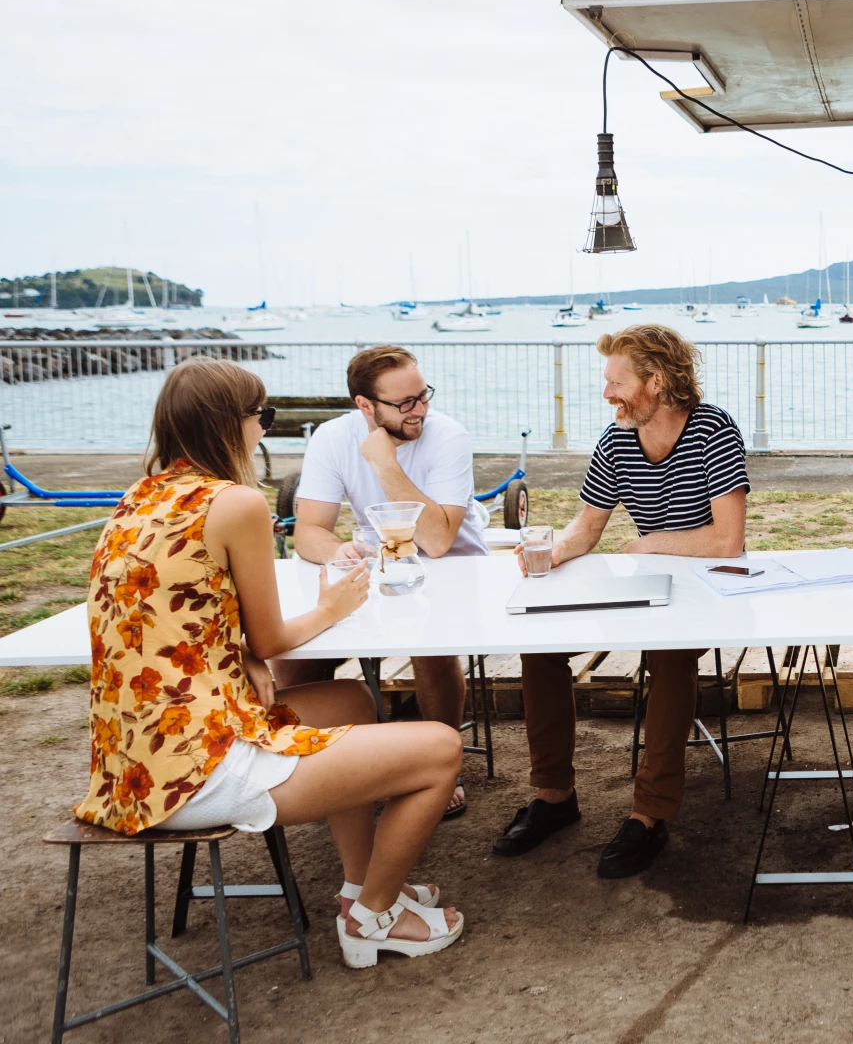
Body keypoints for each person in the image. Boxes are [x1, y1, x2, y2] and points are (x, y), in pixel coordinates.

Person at [79, 357, 466, 968]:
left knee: (351, 702)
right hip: (196, 768)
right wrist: (333, 606)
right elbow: (274, 640)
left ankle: (357, 886)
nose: (265, 426)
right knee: (442, 748)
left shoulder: (139, 497)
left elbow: (178, 613)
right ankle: (374, 919)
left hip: (131, 762)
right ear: (231, 424)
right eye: (262, 414)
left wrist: (240, 655)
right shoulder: (234, 503)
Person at [493, 324, 749, 878]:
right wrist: (551, 551)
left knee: (670, 657)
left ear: (658, 381)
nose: (606, 393)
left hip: (708, 585)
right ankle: (554, 796)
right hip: (645, 586)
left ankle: (650, 815)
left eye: (616, 382)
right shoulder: (616, 440)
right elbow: (586, 530)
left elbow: (727, 542)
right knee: (540, 643)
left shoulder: (713, 431)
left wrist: (648, 543)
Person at [285, 344, 485, 819]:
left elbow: (437, 541)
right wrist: (338, 551)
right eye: (404, 403)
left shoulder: (447, 436)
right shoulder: (333, 438)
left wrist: (384, 463)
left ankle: (442, 766)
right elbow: (308, 532)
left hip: (453, 567)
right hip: (379, 566)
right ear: (365, 406)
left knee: (429, 643)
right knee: (295, 650)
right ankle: (306, 765)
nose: (420, 410)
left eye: (423, 395)